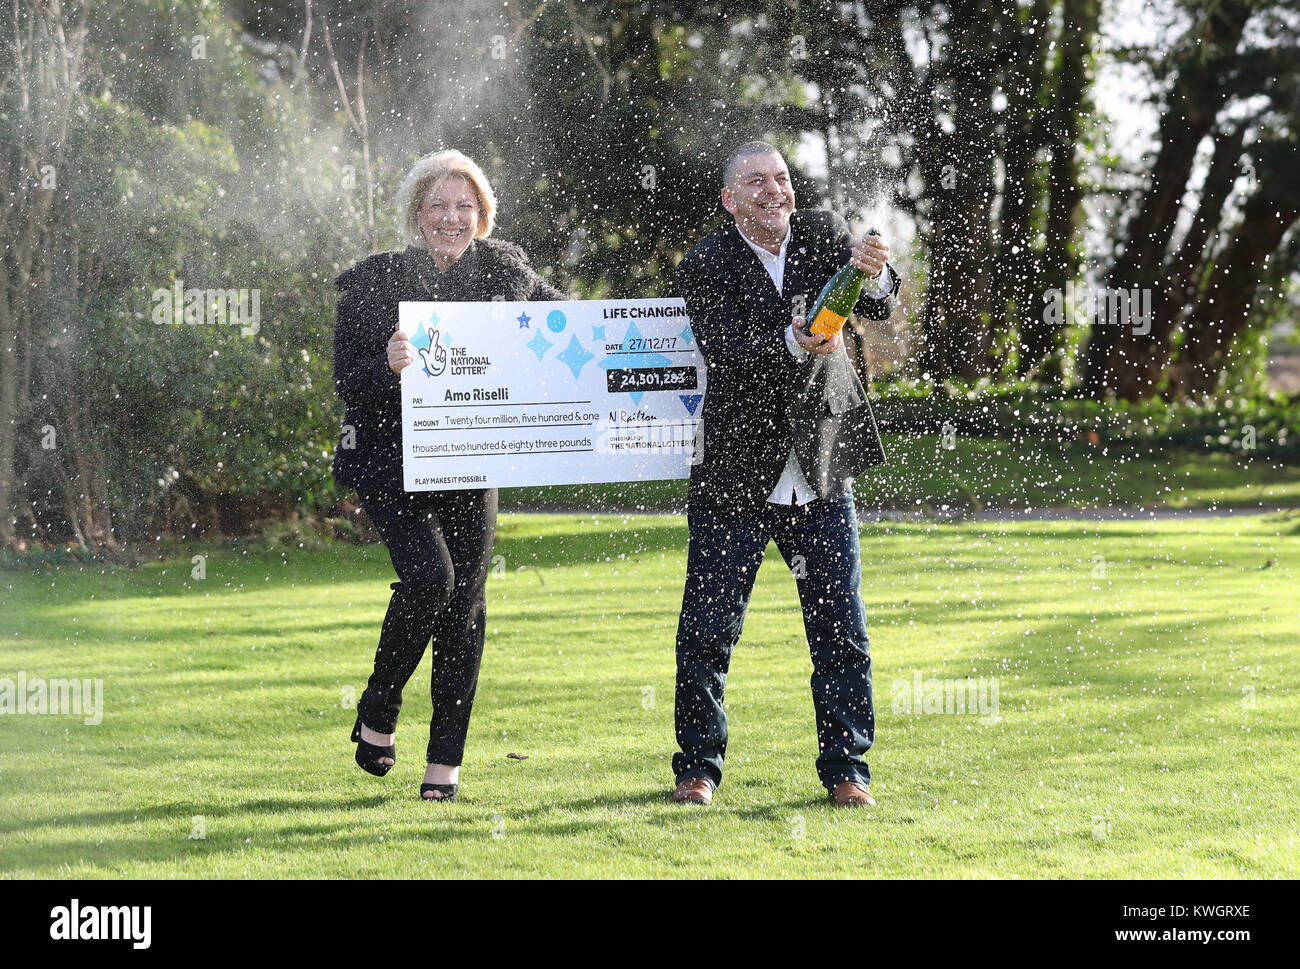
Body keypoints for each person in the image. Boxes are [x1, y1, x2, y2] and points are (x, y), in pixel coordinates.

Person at [670, 141, 899, 808]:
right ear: (730, 199)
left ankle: (848, 769)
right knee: (707, 631)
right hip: (735, 474)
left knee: (841, 629)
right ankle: (698, 768)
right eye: (755, 181)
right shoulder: (707, 263)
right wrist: (794, 341)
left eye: (781, 176)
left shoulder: (825, 232)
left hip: (821, 466)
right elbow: (728, 351)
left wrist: (876, 273)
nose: (774, 189)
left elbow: (877, 305)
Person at [332, 149, 563, 801]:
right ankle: (378, 708)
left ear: (482, 216)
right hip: (390, 461)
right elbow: (347, 380)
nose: (452, 216)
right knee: (432, 578)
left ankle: (444, 767)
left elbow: (568, 324)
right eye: (438, 204)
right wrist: (386, 363)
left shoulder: (507, 273)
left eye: (465, 205)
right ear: (416, 214)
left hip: (471, 456)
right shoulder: (375, 283)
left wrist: (647, 336)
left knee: (465, 605)